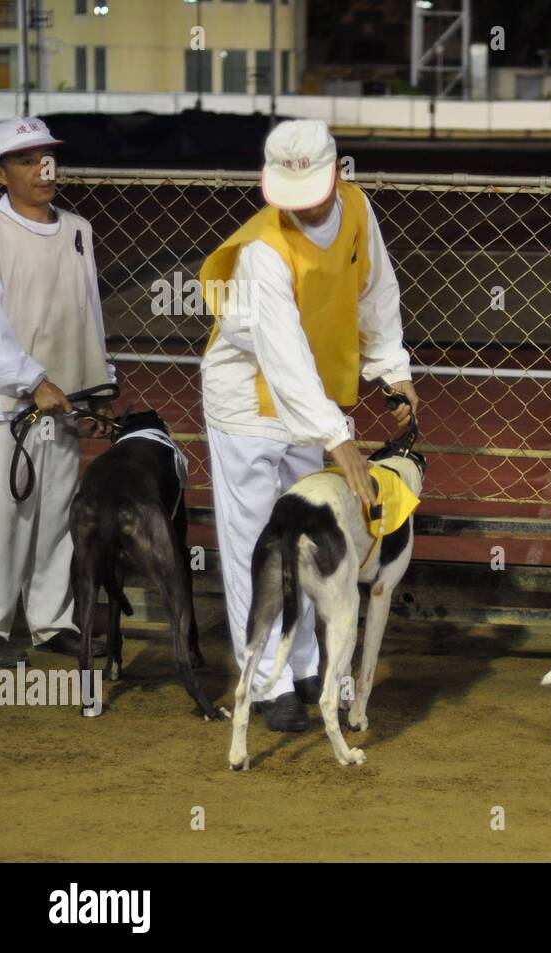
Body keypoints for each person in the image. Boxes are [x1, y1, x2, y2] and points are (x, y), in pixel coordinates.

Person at [200, 119, 416, 730]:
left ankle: (305, 668)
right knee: (256, 543)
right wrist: (338, 437)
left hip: (310, 401)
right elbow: (282, 351)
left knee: (307, 538)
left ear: (338, 170)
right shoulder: (262, 249)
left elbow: (376, 292)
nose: (303, 207)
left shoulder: (356, 208)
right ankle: (263, 682)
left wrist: (391, 368)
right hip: (247, 397)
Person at [0, 117, 115, 669]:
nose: (43, 169)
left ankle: (51, 621)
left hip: (63, 401)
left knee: (56, 518)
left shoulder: (77, 229)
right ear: (1, 173)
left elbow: (86, 313)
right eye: (25, 160)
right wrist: (31, 380)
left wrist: (97, 387)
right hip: (9, 407)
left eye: (46, 157)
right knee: (5, 521)